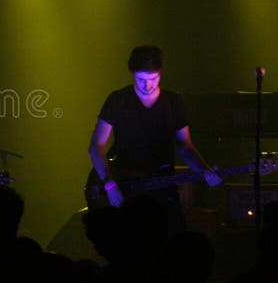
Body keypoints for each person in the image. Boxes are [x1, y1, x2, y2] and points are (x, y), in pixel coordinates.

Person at [87, 45, 221, 230]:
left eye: (153, 79)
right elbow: (96, 146)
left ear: (161, 73)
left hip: (162, 185)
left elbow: (185, 146)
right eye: (141, 79)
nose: (147, 85)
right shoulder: (118, 100)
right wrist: (109, 185)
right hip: (125, 183)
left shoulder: (173, 102)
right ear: (132, 74)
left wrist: (204, 170)